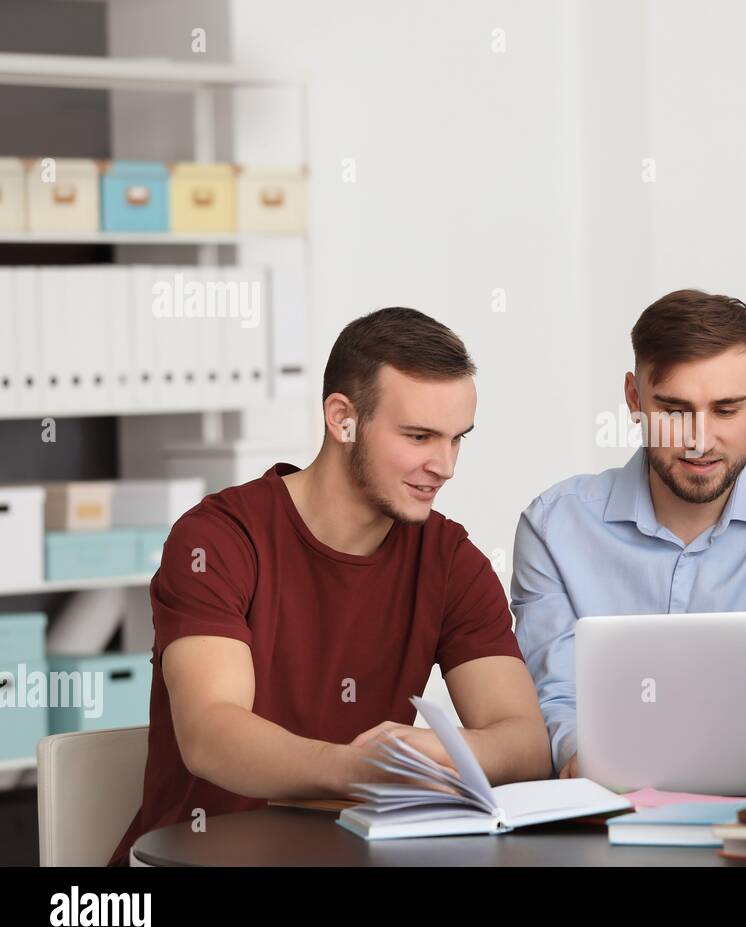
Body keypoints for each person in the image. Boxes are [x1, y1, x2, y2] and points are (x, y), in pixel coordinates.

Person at [109, 307, 550, 866]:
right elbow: (210, 734)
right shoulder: (216, 540)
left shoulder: (450, 559)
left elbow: (526, 742)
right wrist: (357, 769)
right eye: (419, 436)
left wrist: (439, 753)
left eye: (456, 439)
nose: (445, 466)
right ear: (342, 419)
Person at [510, 289, 746, 779]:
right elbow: (555, 695)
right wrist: (589, 763)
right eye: (675, 410)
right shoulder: (554, 527)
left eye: (726, 410)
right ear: (634, 400)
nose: (699, 440)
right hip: (608, 817)